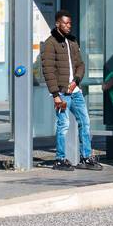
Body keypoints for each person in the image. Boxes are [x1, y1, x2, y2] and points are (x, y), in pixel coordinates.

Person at [39, 10, 101, 171]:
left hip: (76, 92)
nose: (68, 26)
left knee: (85, 123)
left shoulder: (73, 41)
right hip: (60, 93)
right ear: (57, 24)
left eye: (70, 23)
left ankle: (86, 158)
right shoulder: (50, 43)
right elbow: (48, 70)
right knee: (63, 124)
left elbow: (81, 65)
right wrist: (55, 95)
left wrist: (76, 81)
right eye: (65, 23)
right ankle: (60, 159)